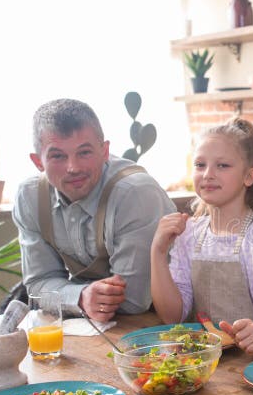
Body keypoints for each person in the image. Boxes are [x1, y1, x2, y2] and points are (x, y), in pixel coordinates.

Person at [12, 98, 176, 322]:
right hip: (99, 327)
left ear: (105, 150)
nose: (73, 168)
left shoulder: (135, 193)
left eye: (84, 152)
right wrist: (80, 297)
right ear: (38, 162)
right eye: (58, 156)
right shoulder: (30, 197)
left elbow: (133, 300)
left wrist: (68, 294)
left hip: (164, 325)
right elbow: (38, 283)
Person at [150, 118, 253, 356]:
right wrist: (157, 252)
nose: (208, 174)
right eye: (200, 165)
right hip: (203, 367)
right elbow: (173, 316)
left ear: (248, 177)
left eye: (222, 166)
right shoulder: (188, 235)